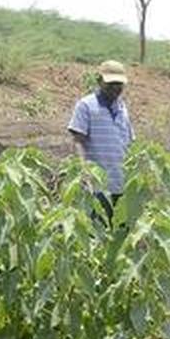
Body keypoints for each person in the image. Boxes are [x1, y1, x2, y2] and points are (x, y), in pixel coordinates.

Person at [67, 60, 134, 222]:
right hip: (97, 186)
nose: (115, 88)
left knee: (120, 235)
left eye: (119, 84)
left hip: (121, 184)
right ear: (99, 81)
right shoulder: (86, 105)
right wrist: (85, 171)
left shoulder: (122, 108)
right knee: (97, 233)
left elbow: (129, 143)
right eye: (110, 83)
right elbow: (78, 141)